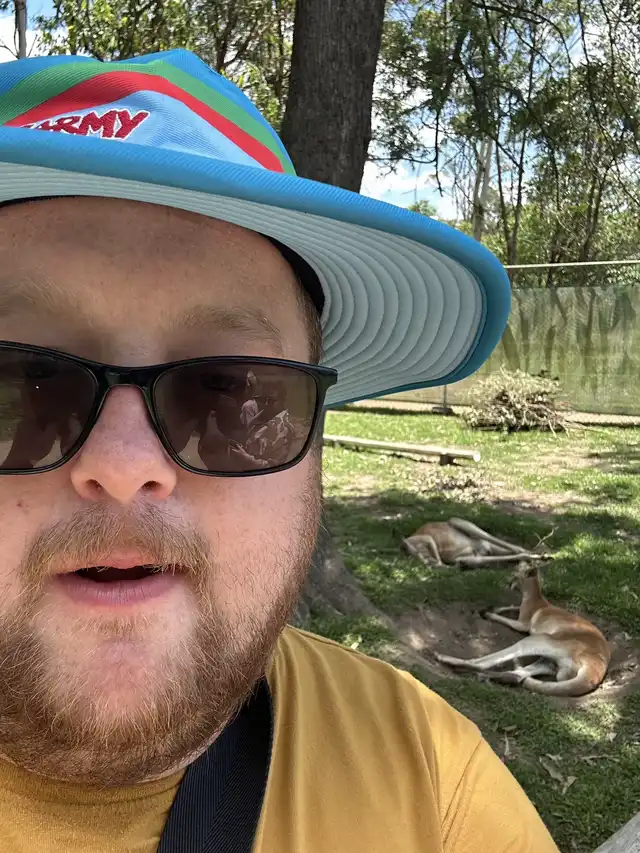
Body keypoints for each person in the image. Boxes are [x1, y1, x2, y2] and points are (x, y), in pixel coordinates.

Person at [0, 49, 559, 852]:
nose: (124, 465)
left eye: (228, 390)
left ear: (316, 449)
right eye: (20, 381)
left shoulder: (432, 784)